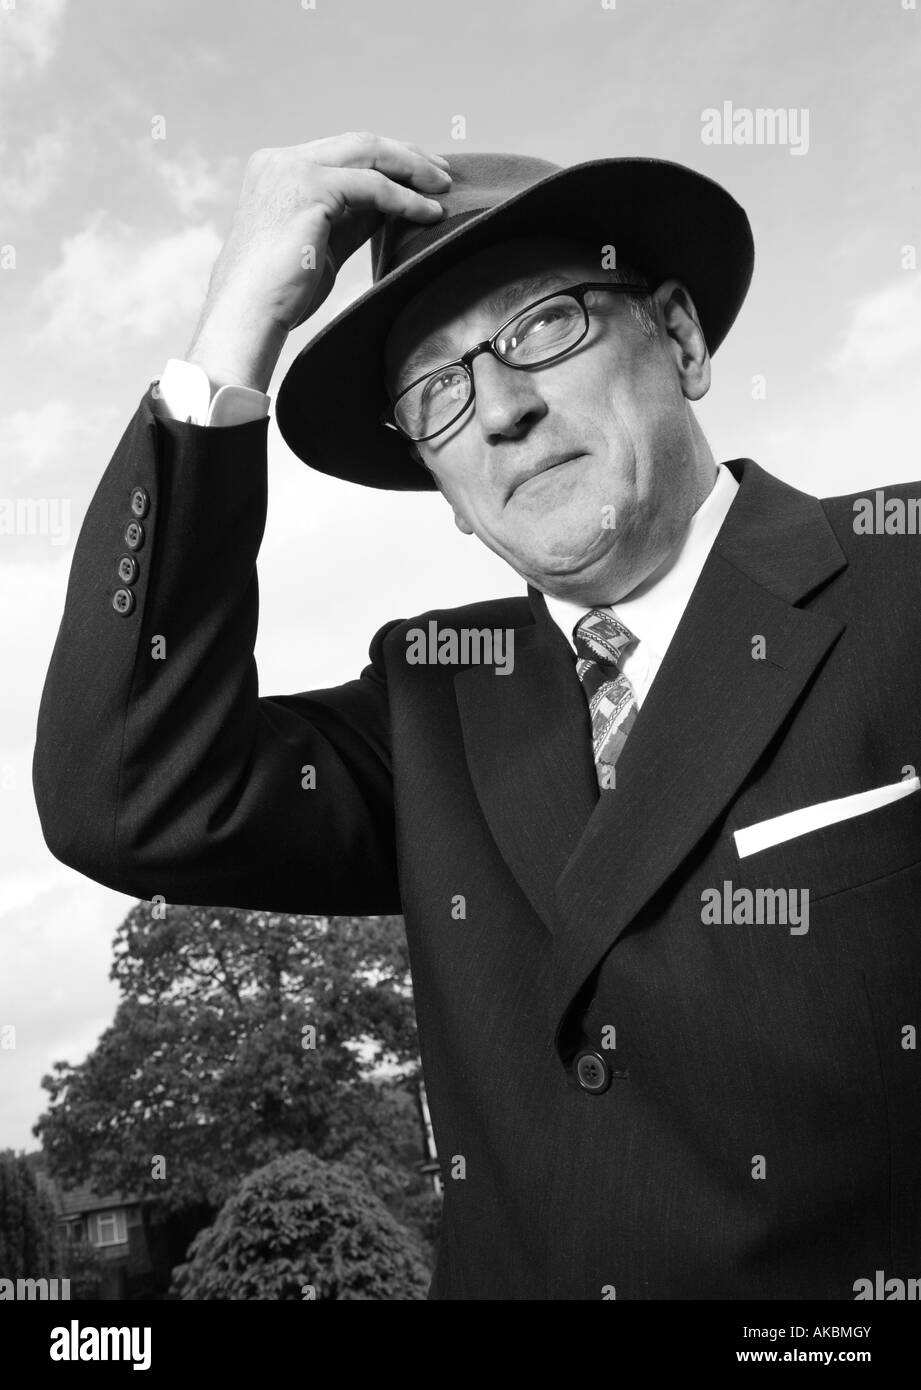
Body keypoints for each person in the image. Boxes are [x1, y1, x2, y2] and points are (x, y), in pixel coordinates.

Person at [33, 132, 921, 1301]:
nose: (497, 409)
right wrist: (234, 327)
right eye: (436, 393)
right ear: (448, 497)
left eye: (544, 323)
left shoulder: (897, 578)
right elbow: (125, 794)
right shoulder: (434, 698)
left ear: (685, 340)